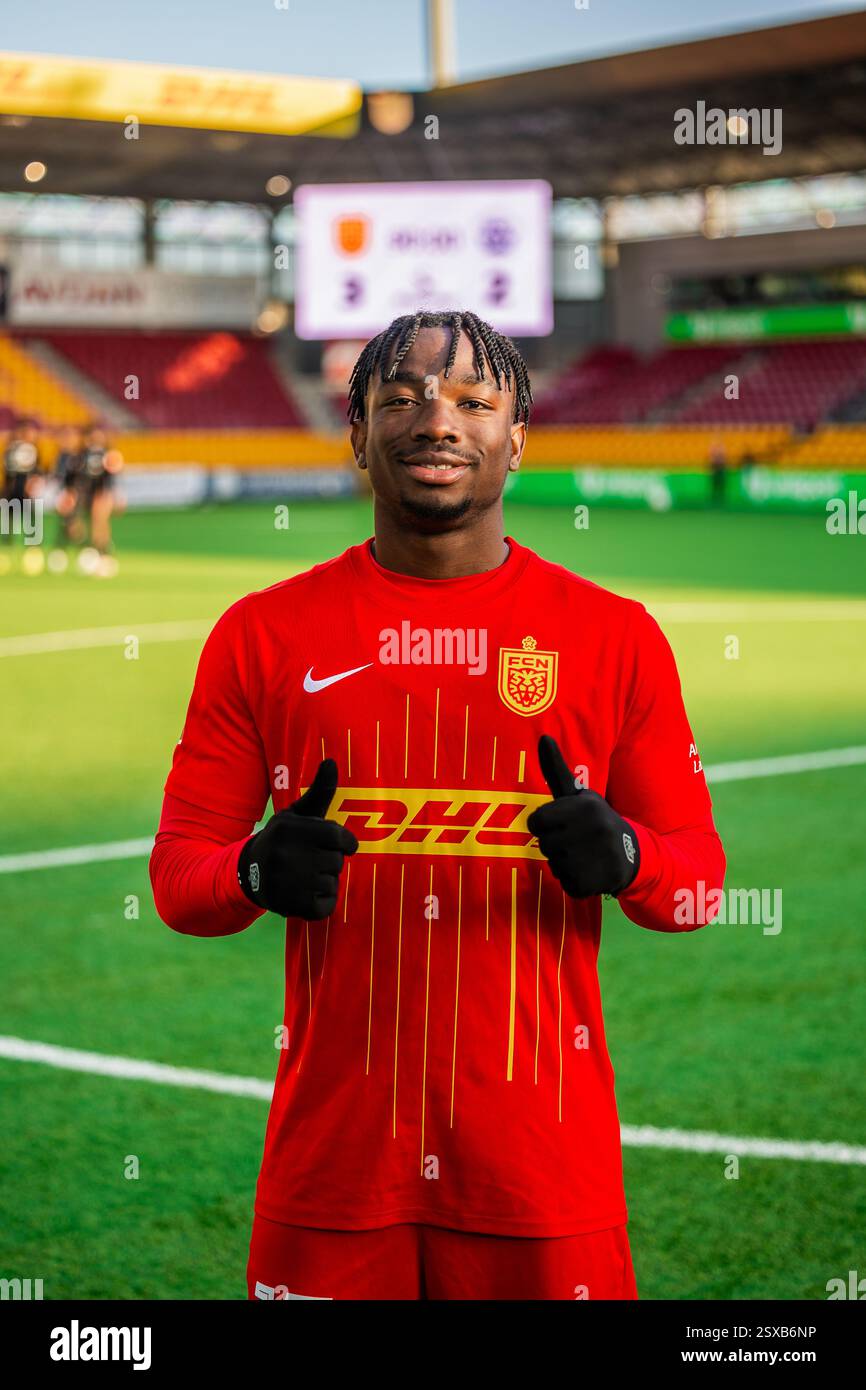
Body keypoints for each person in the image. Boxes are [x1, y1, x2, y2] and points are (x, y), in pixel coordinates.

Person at [149, 309, 726, 1301]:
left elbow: (697, 887)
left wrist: (629, 857)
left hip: (542, 1175)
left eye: (473, 400)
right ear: (357, 436)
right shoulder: (260, 636)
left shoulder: (613, 638)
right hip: (331, 1174)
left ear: (516, 439)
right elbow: (178, 882)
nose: (436, 419)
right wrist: (252, 869)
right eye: (402, 397)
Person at [1, 418, 43, 545]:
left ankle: (33, 542)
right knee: (8, 510)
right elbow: (8, 468)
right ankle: (7, 539)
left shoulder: (33, 449)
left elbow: (38, 469)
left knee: (30, 513)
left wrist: (33, 482)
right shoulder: (12, 448)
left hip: (27, 487)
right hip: (13, 485)